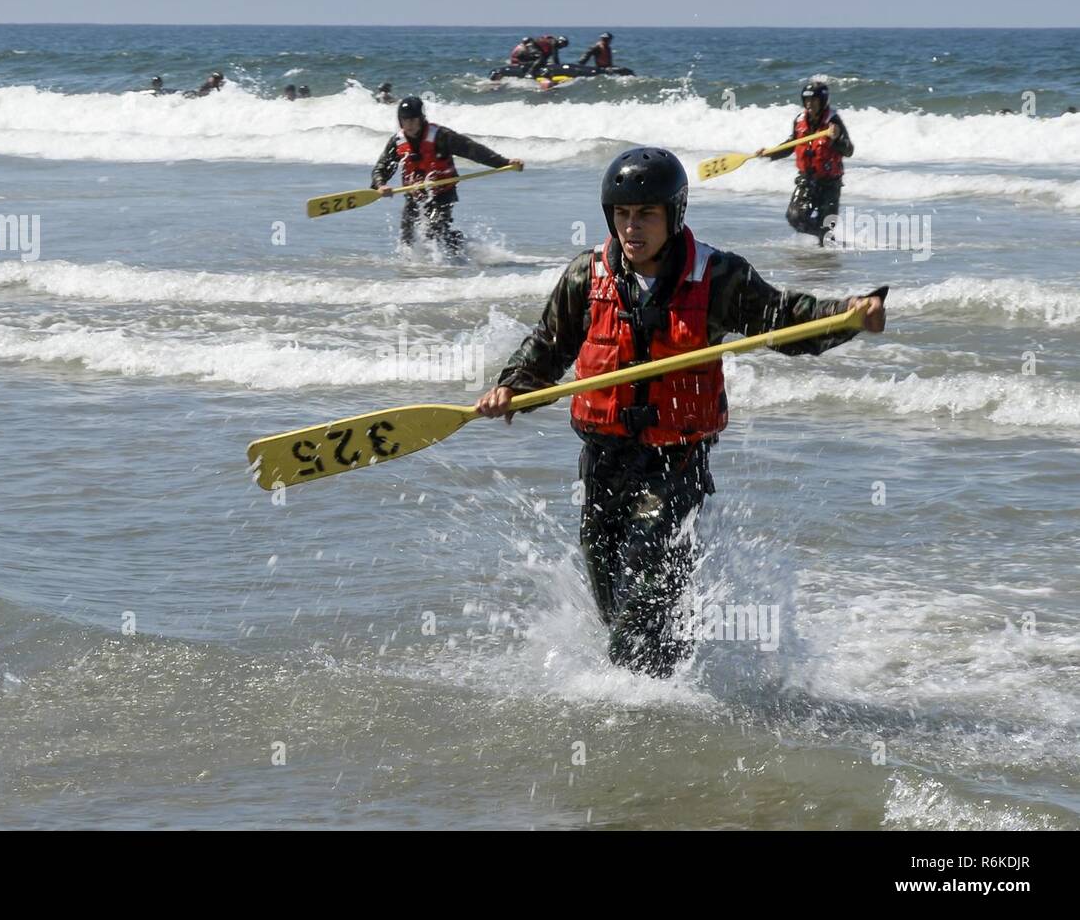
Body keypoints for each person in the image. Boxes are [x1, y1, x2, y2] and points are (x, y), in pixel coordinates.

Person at [473, 146, 886, 676]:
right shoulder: (585, 276)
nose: (632, 227)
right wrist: (511, 386)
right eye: (622, 214)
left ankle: (640, 697)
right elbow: (548, 346)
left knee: (644, 597)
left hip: (674, 465)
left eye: (646, 214)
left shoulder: (718, 276)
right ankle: (664, 683)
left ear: (674, 214)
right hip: (602, 463)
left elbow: (783, 319)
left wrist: (847, 315)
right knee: (614, 602)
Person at [370, 96, 524, 255]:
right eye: (405, 120)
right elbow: (381, 168)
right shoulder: (397, 142)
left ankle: (464, 249)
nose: (409, 125)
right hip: (414, 195)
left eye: (413, 120)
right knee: (407, 239)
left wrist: (504, 162)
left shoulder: (441, 136)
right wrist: (381, 185)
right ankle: (417, 266)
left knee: (434, 232)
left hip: (442, 193)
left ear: (421, 119)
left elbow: (474, 150)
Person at [757, 81, 853, 245]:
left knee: (826, 228)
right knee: (795, 217)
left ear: (822, 101)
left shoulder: (834, 121)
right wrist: (769, 153)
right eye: (807, 100)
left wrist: (837, 138)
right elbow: (790, 145)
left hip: (830, 184)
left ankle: (826, 239)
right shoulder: (799, 121)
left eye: (814, 100)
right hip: (807, 180)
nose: (809, 104)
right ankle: (824, 237)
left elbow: (849, 150)